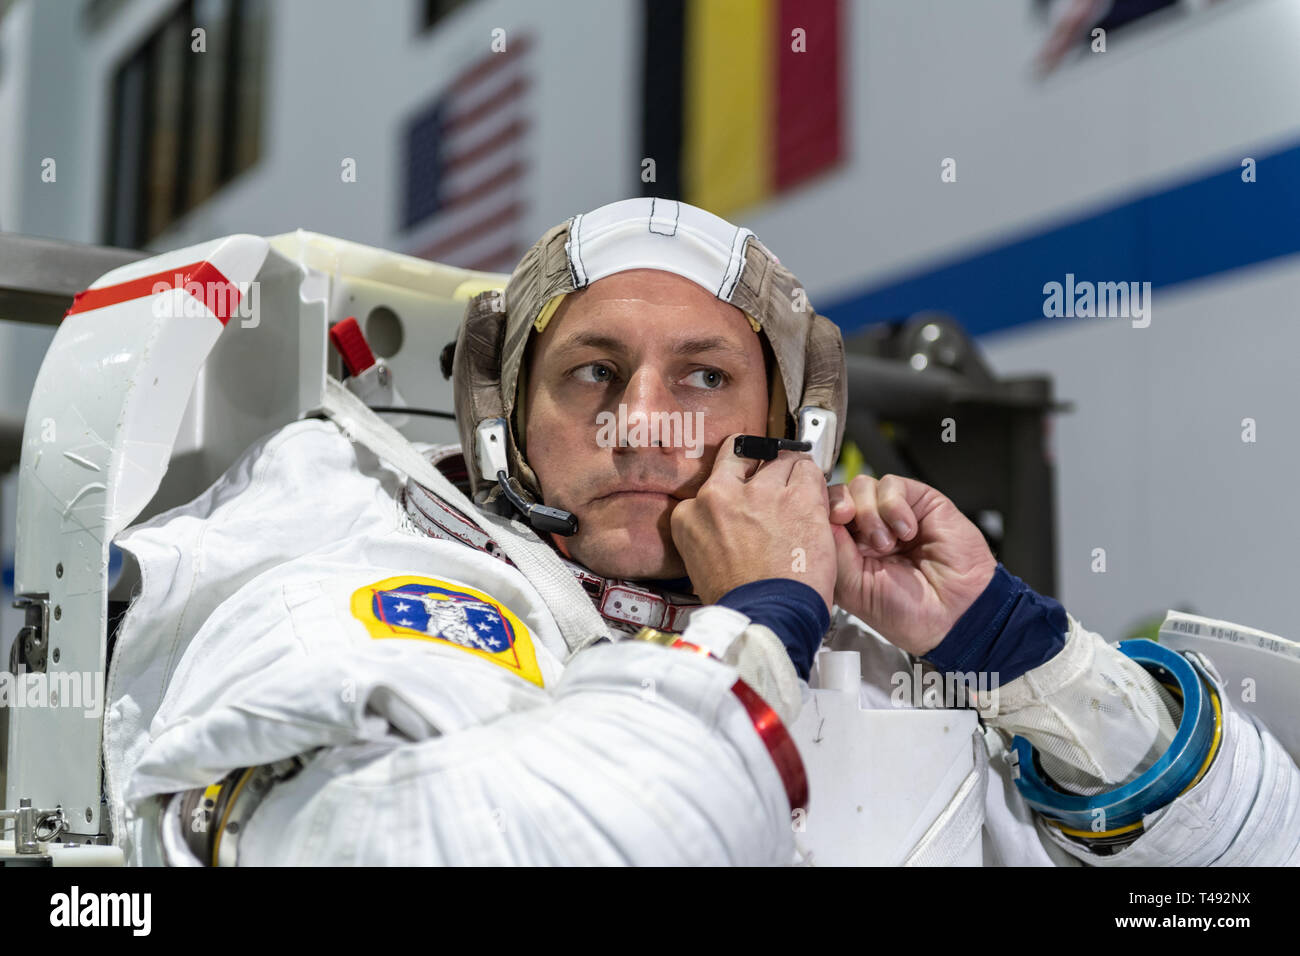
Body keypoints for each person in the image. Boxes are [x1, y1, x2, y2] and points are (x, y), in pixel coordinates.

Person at [106, 198, 1299, 866]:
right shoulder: (358, 569)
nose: (640, 424)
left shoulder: (880, 651)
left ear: (794, 426)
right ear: (501, 423)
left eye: (703, 377)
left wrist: (1023, 657)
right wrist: (756, 619)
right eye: (590, 372)